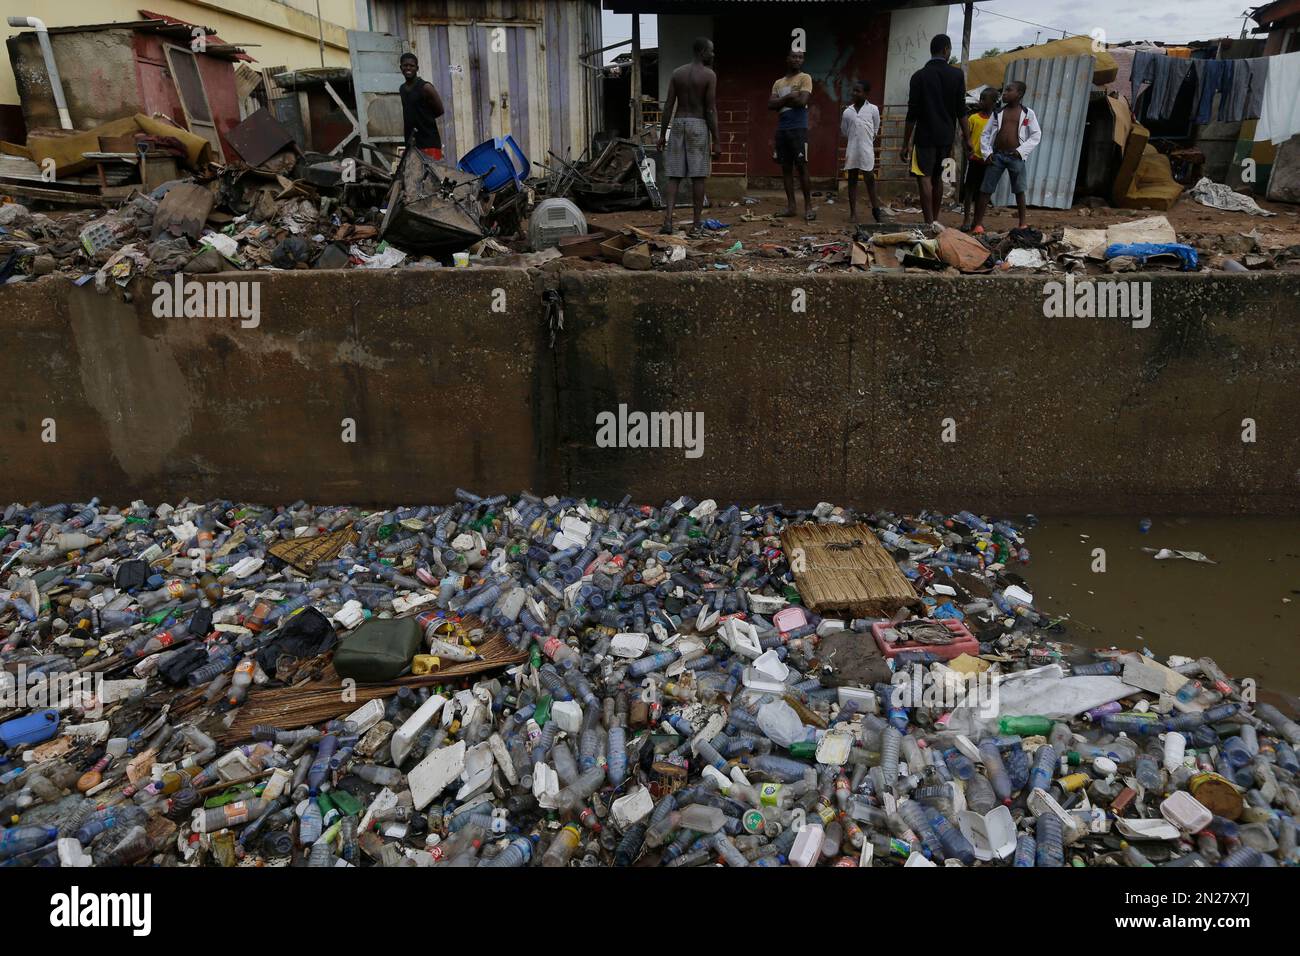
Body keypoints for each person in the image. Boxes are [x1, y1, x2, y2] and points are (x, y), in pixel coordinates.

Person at [900, 34, 968, 227]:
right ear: (946, 50)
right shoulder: (957, 75)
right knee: (939, 178)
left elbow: (911, 113)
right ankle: (936, 221)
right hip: (946, 138)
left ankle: (928, 222)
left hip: (925, 137)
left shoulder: (919, 76)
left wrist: (905, 144)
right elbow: (961, 110)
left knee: (924, 178)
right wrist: (967, 139)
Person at [658, 37, 720, 237]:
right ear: (702, 51)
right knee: (698, 176)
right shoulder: (709, 75)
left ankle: (668, 221)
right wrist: (717, 140)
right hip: (698, 124)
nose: (713, 54)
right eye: (710, 51)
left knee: (674, 176)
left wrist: (662, 135)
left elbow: (668, 105)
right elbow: (710, 110)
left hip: (678, 124)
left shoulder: (677, 73)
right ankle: (696, 224)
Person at [972, 80, 1042, 234]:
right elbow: (985, 134)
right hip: (997, 156)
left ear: (1019, 94)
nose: (1004, 93)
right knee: (986, 189)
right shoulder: (998, 113)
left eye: (1009, 90)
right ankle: (978, 224)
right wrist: (987, 152)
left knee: (1019, 189)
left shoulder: (1028, 113)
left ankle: (1022, 223)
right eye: (1004, 90)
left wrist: (1022, 150)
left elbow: (1036, 134)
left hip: (1016, 157)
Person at [769, 50, 815, 220]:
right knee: (785, 168)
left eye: (800, 57)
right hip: (782, 129)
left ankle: (808, 207)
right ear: (787, 59)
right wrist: (789, 96)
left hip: (798, 128)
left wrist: (780, 102)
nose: (797, 59)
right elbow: (770, 104)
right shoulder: (778, 83)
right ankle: (791, 207)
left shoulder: (805, 78)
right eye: (794, 56)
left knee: (802, 166)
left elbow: (802, 101)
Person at [841, 80, 882, 224]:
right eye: (853, 90)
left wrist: (867, 139)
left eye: (858, 91)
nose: (854, 93)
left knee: (869, 179)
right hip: (852, 150)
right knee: (852, 180)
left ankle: (876, 210)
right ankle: (853, 213)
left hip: (866, 150)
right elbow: (844, 131)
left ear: (865, 94)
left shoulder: (873, 109)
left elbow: (876, 128)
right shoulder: (847, 112)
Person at [960, 88, 999, 231]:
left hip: (988, 161)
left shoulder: (996, 120)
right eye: (980, 98)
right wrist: (967, 153)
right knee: (969, 190)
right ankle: (966, 220)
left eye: (984, 99)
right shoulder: (973, 118)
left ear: (994, 102)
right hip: (975, 159)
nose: (981, 101)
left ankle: (977, 221)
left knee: (983, 193)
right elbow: (965, 137)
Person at [399, 52, 445, 161]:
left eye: (412, 66)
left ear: (417, 68)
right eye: (405, 65)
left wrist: (424, 119)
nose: (408, 68)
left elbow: (440, 110)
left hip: (429, 142)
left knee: (431, 175)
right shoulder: (402, 89)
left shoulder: (426, 87)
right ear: (401, 68)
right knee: (414, 175)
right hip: (411, 143)